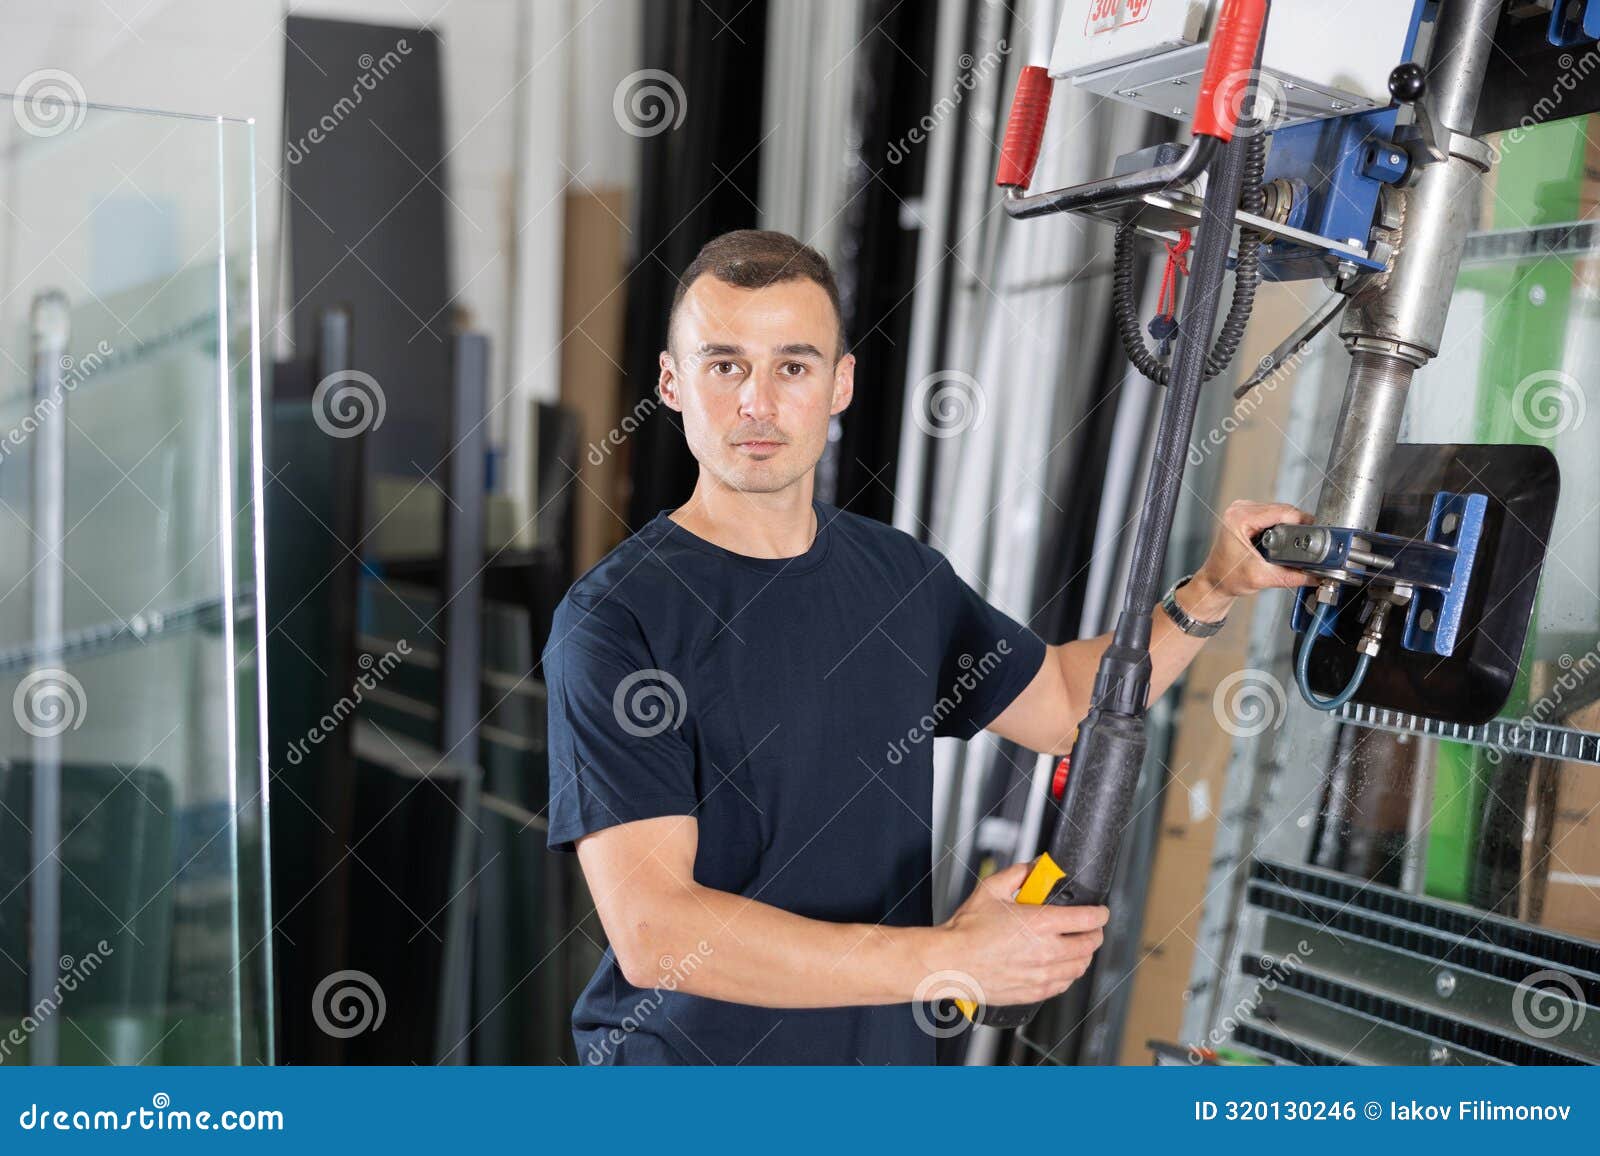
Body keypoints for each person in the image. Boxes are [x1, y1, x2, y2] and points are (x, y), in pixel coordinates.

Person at [544, 228, 1311, 1064]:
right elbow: (659, 930)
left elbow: (1061, 705)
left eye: (792, 367)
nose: (757, 404)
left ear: (839, 385)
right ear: (671, 382)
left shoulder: (898, 577)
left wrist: (1213, 589)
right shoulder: (618, 619)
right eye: (724, 365)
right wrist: (954, 957)